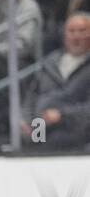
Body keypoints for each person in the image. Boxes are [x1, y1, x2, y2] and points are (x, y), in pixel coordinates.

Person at [23, 12, 90, 150]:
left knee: (56, 143)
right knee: (27, 145)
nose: (76, 36)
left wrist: (62, 116)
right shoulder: (49, 63)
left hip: (78, 134)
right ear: (65, 35)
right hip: (41, 128)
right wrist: (26, 121)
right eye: (71, 31)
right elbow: (32, 97)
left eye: (82, 31)